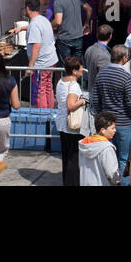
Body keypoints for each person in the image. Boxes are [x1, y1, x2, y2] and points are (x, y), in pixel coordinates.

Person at [92, 45, 131, 185]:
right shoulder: (126, 77)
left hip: (106, 123)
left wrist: (102, 115)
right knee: (124, 158)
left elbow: (95, 99)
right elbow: (130, 103)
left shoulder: (101, 74)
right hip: (124, 123)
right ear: (124, 58)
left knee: (107, 158)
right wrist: (129, 116)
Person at [56, 57, 87, 186]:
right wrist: (84, 100)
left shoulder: (61, 81)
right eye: (80, 68)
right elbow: (71, 105)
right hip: (72, 126)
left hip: (62, 123)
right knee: (74, 158)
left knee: (67, 157)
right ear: (74, 71)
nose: (82, 71)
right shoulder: (73, 85)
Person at [23, 0, 59, 109]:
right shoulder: (44, 20)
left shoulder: (34, 24)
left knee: (39, 90)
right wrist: (21, 28)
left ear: (27, 9)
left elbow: (36, 46)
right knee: (48, 87)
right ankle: (49, 112)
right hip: (51, 60)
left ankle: (41, 118)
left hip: (41, 63)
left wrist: (30, 66)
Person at [48, 0, 87, 64]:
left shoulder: (58, 1)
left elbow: (58, 21)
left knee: (66, 66)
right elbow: (89, 9)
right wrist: (86, 23)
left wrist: (48, 24)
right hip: (78, 36)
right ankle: (82, 78)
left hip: (65, 39)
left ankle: (68, 78)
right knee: (79, 64)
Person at [79, 113, 121, 185]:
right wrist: (117, 181)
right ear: (103, 130)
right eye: (112, 128)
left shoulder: (84, 144)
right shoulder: (107, 148)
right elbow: (111, 173)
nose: (115, 131)